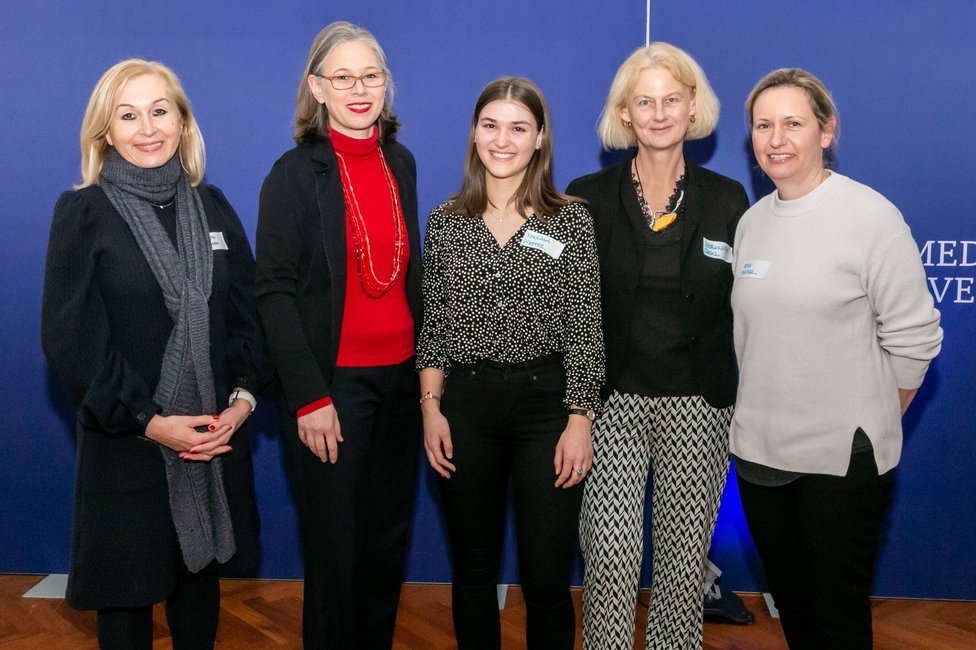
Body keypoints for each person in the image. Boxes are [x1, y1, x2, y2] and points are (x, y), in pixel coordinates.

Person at [41, 59, 266, 649]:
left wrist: (240, 405)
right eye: (128, 114)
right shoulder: (83, 213)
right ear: (105, 132)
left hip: (211, 443)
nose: (147, 128)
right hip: (129, 448)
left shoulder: (214, 207)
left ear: (183, 122)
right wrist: (152, 423)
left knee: (199, 597)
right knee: (127, 605)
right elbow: (72, 340)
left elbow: (247, 320)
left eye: (160, 111)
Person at [731, 68, 943, 649]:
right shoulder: (750, 224)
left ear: (826, 131)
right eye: (763, 124)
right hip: (759, 456)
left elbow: (915, 338)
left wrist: (872, 417)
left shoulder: (869, 218)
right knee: (794, 608)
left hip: (841, 461)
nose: (777, 138)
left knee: (837, 616)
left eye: (793, 123)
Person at [567, 43, 748, 650]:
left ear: (693, 106)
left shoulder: (728, 199)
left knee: (682, 568)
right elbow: (569, 309)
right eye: (644, 101)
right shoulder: (585, 196)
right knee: (611, 559)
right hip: (611, 402)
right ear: (624, 114)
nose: (660, 112)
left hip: (700, 406)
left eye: (672, 99)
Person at [416, 77, 604, 649]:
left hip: (547, 410)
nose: (503, 140)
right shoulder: (448, 221)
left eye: (518, 127)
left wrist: (579, 421)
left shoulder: (570, 219)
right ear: (475, 134)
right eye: (491, 125)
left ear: (540, 138)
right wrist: (431, 408)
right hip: (465, 407)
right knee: (473, 570)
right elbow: (435, 329)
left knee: (546, 576)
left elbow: (585, 327)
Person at [254, 21, 422, 649]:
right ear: (316, 88)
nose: (359, 89)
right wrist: (309, 396)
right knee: (335, 558)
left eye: (371, 76)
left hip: (400, 385)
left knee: (385, 549)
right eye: (342, 77)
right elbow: (271, 290)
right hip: (333, 388)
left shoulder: (398, 161)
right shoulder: (293, 176)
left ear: (387, 85)